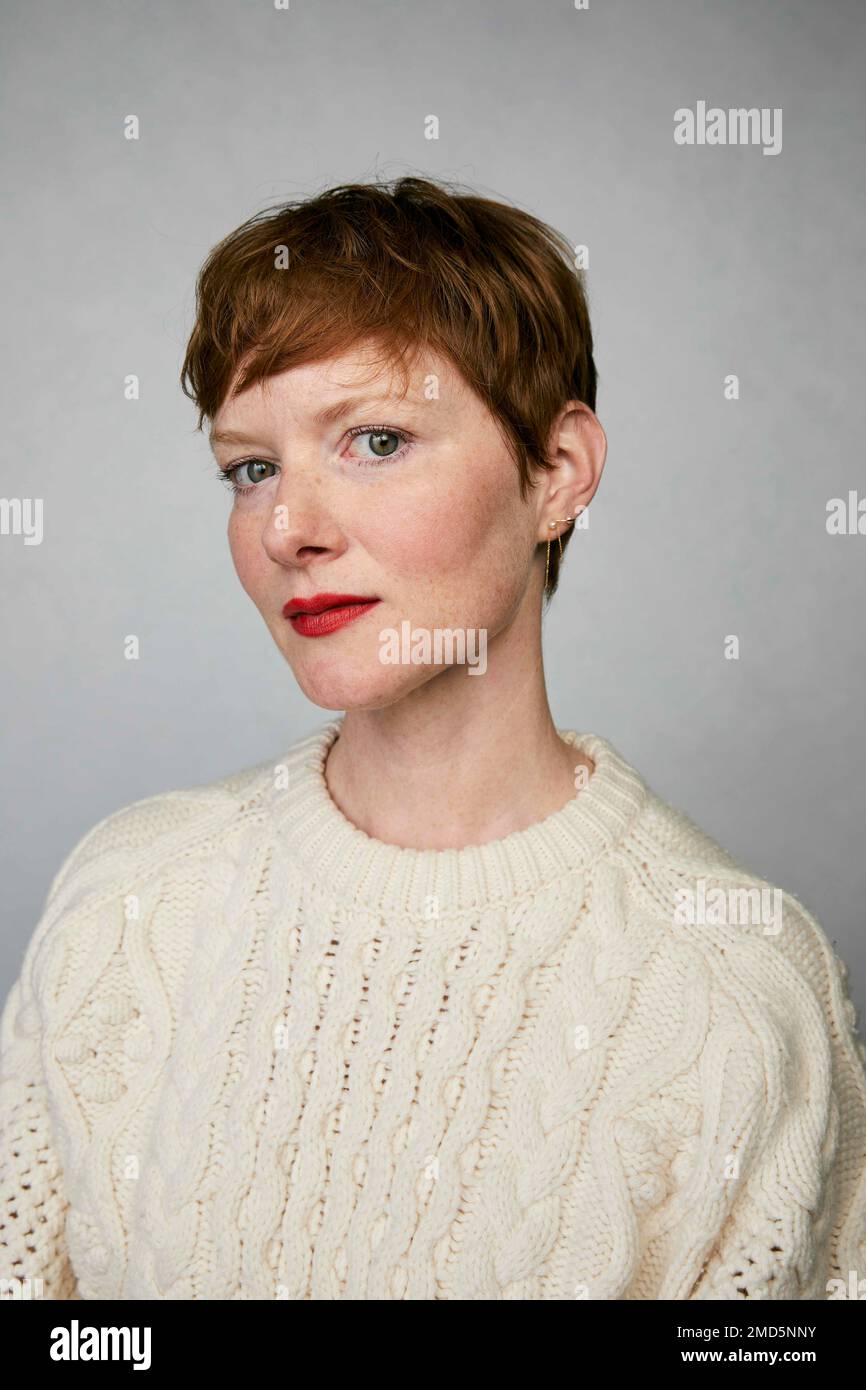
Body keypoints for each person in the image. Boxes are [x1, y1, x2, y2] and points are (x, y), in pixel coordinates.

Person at [2, 176, 865, 1302]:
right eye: (249, 467)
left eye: (373, 439)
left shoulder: (734, 985)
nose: (288, 528)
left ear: (556, 473)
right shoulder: (130, 901)